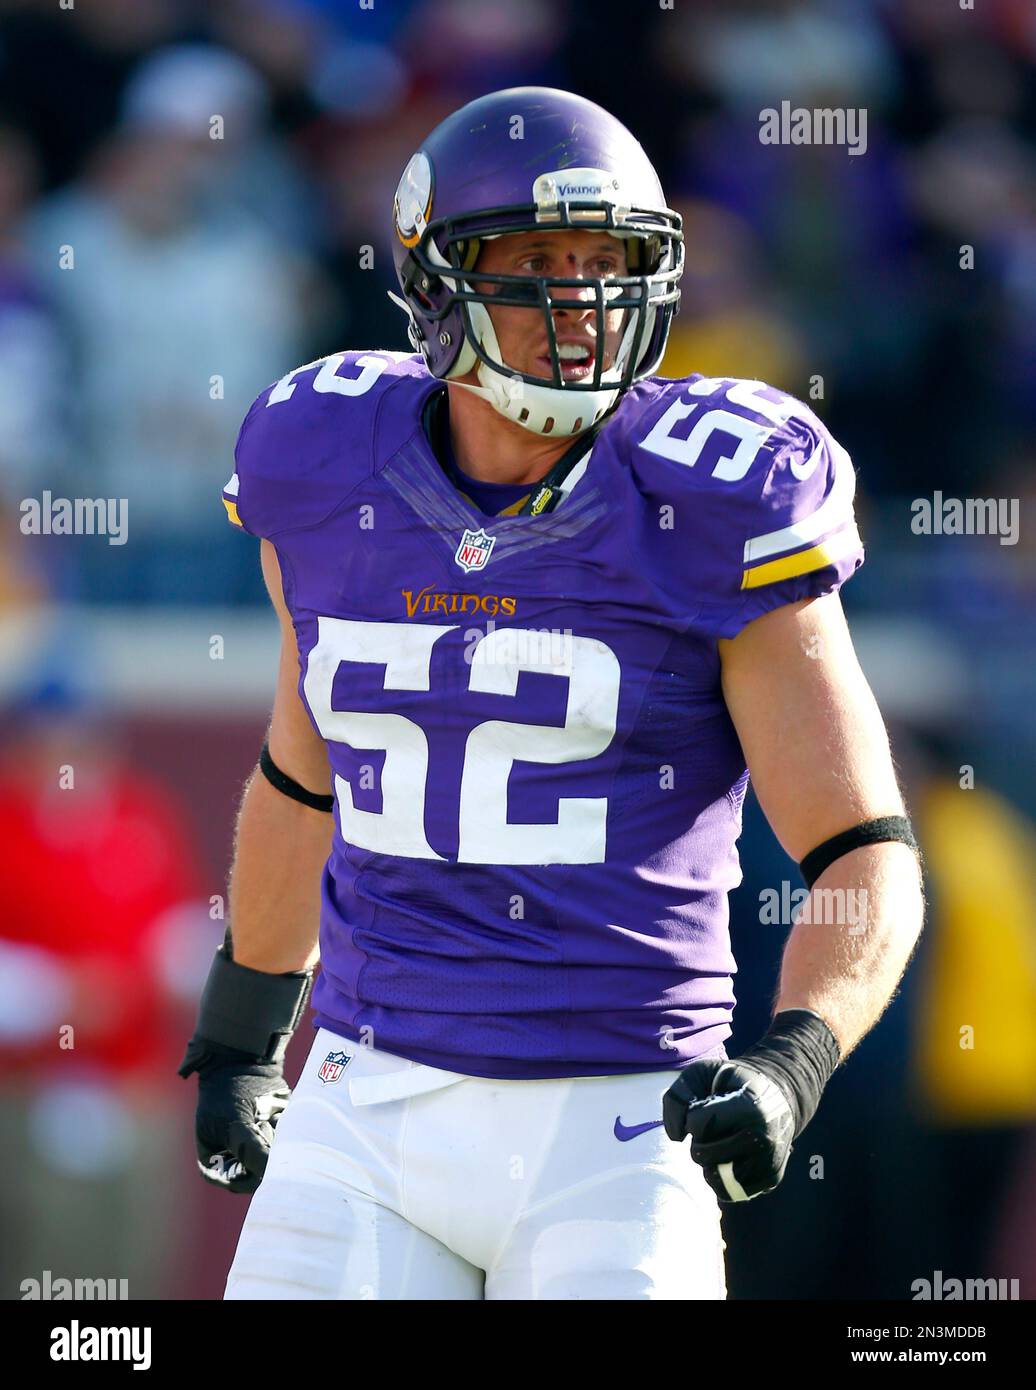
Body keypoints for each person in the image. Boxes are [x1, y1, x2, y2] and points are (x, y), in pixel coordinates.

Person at [179, 87, 924, 1301]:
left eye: (606, 260)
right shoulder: (319, 457)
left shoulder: (716, 494)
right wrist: (241, 1034)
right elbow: (301, 778)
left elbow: (861, 847)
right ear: (433, 278)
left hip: (621, 1122)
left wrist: (796, 1056)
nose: (578, 302)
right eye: (533, 261)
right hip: (363, 1099)